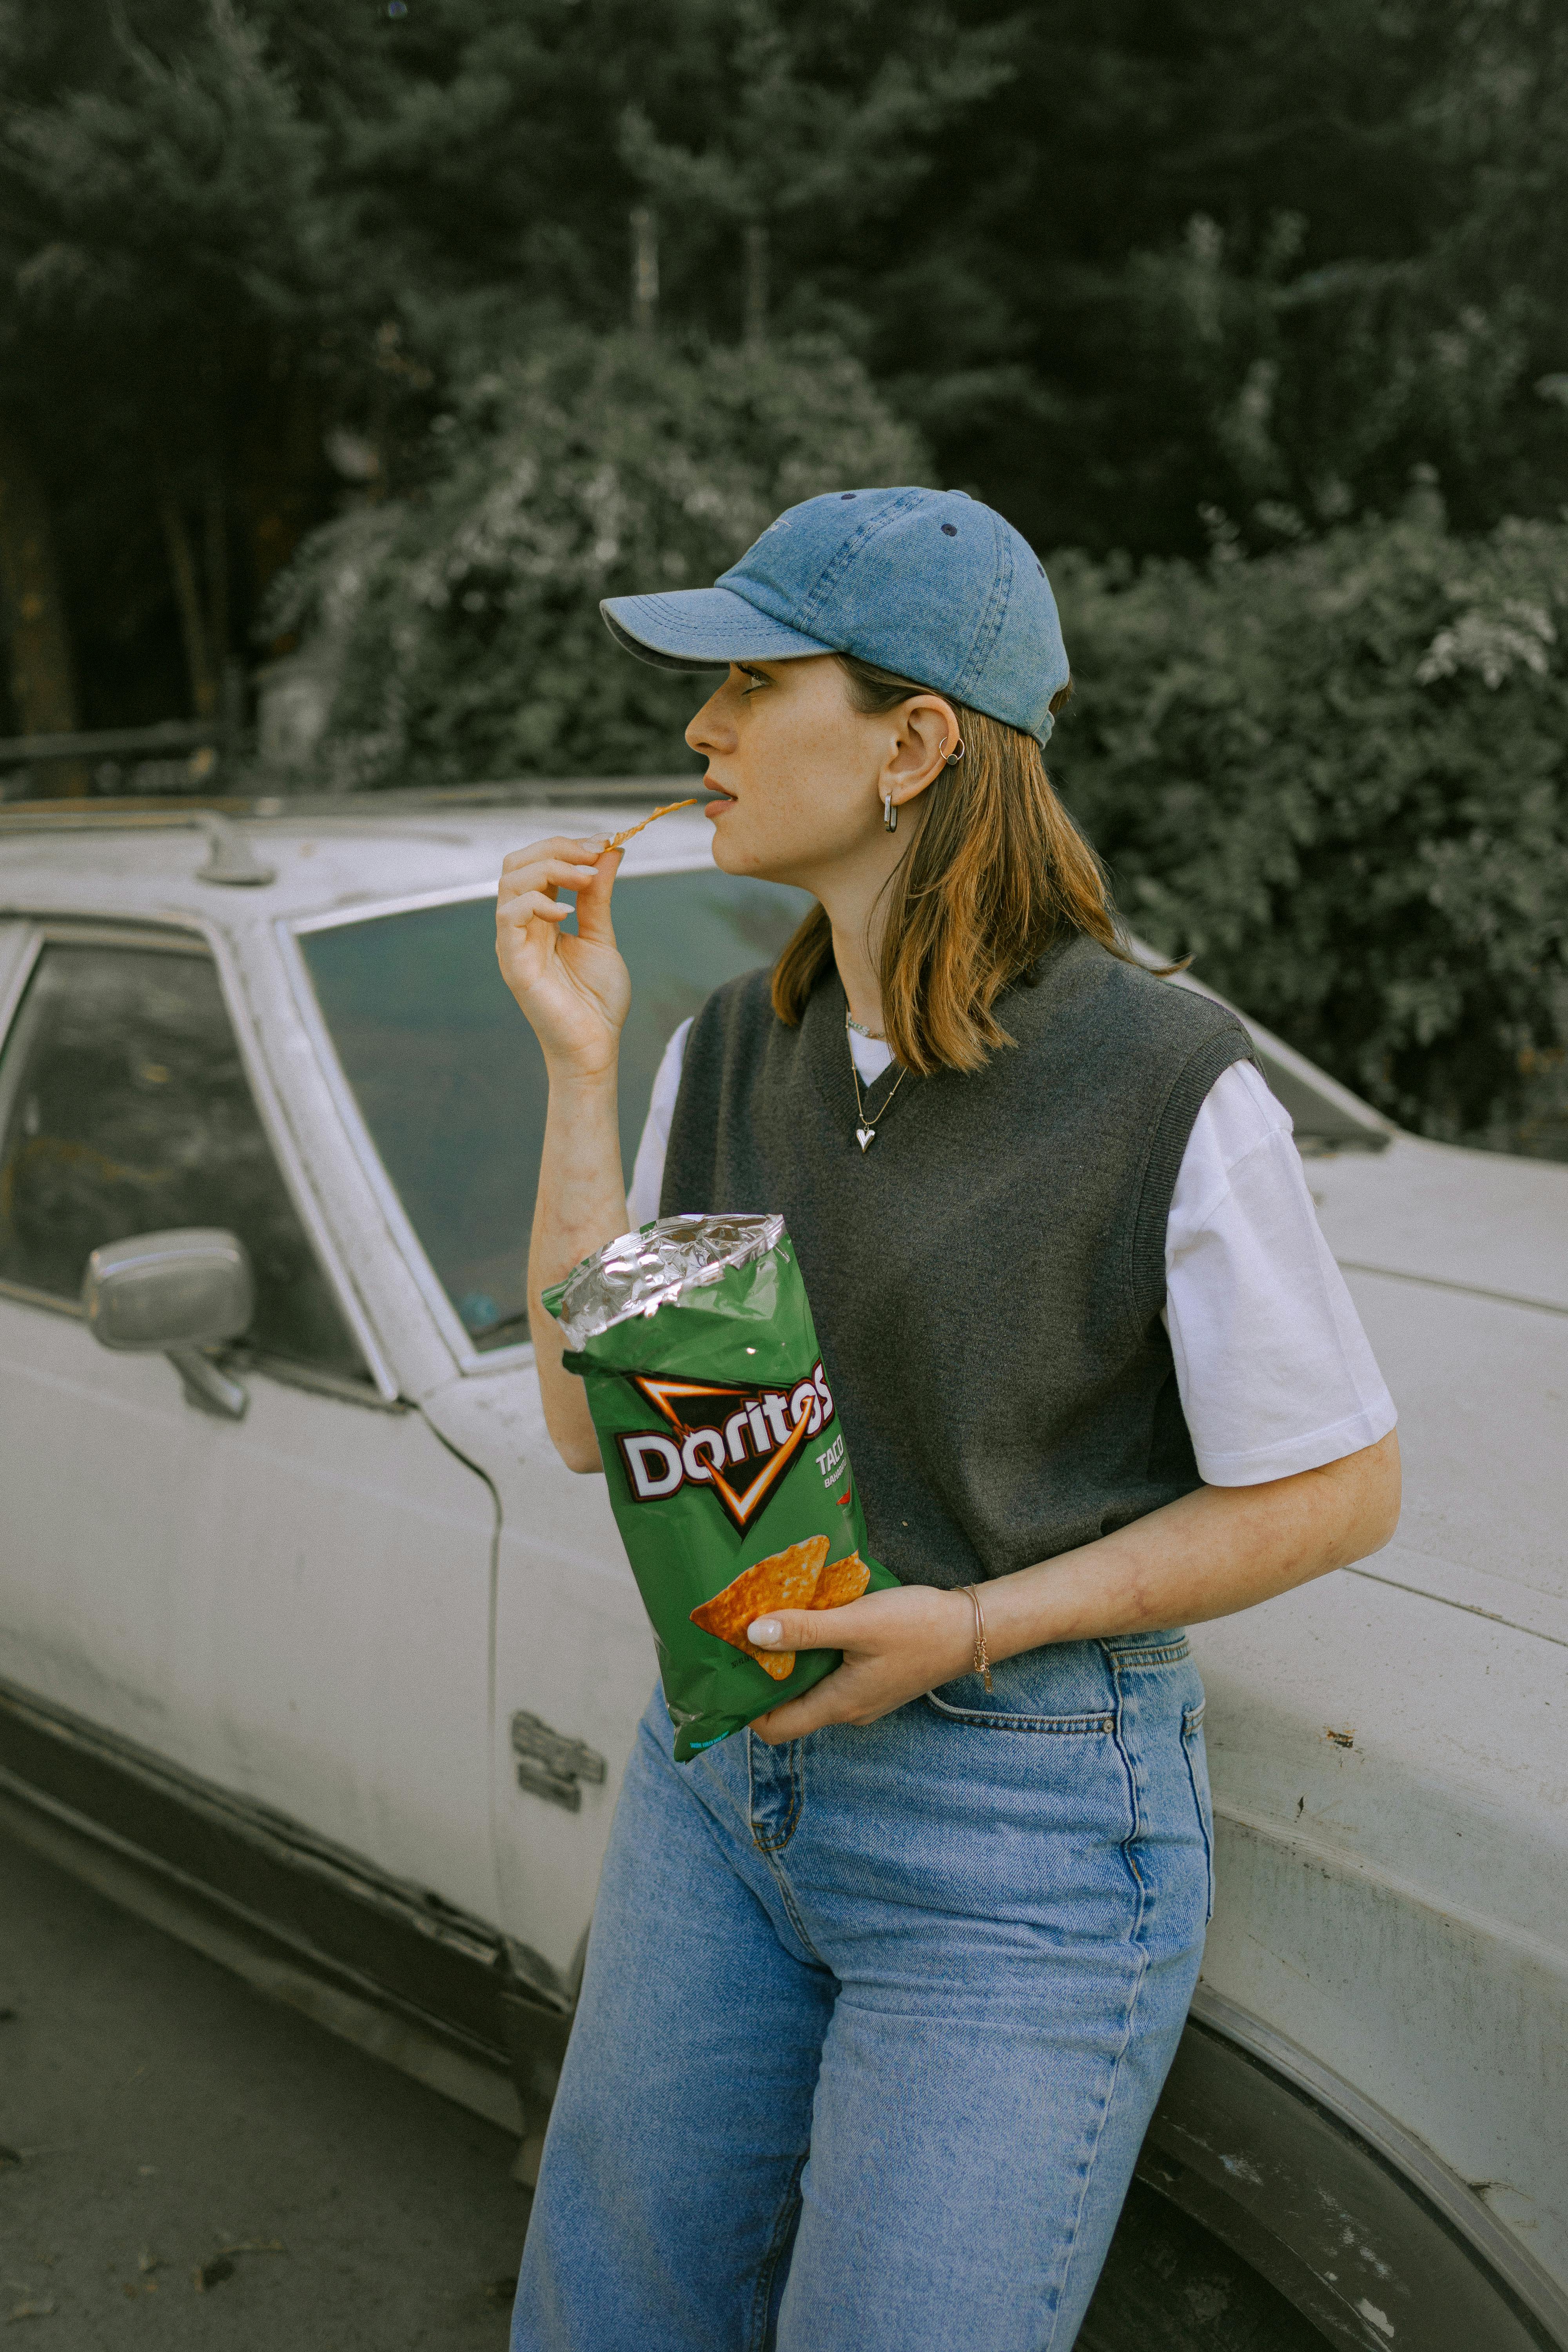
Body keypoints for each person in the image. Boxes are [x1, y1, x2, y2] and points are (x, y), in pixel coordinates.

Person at [499, 486, 1400, 2352]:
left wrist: (980, 1622)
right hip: (721, 1784)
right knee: (608, 2321)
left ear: (913, 744)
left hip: (1019, 1832)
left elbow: (1341, 1489)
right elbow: (597, 1429)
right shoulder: (723, 1048)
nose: (700, 730)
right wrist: (578, 1071)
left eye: (752, 683)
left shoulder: (1159, 1077)